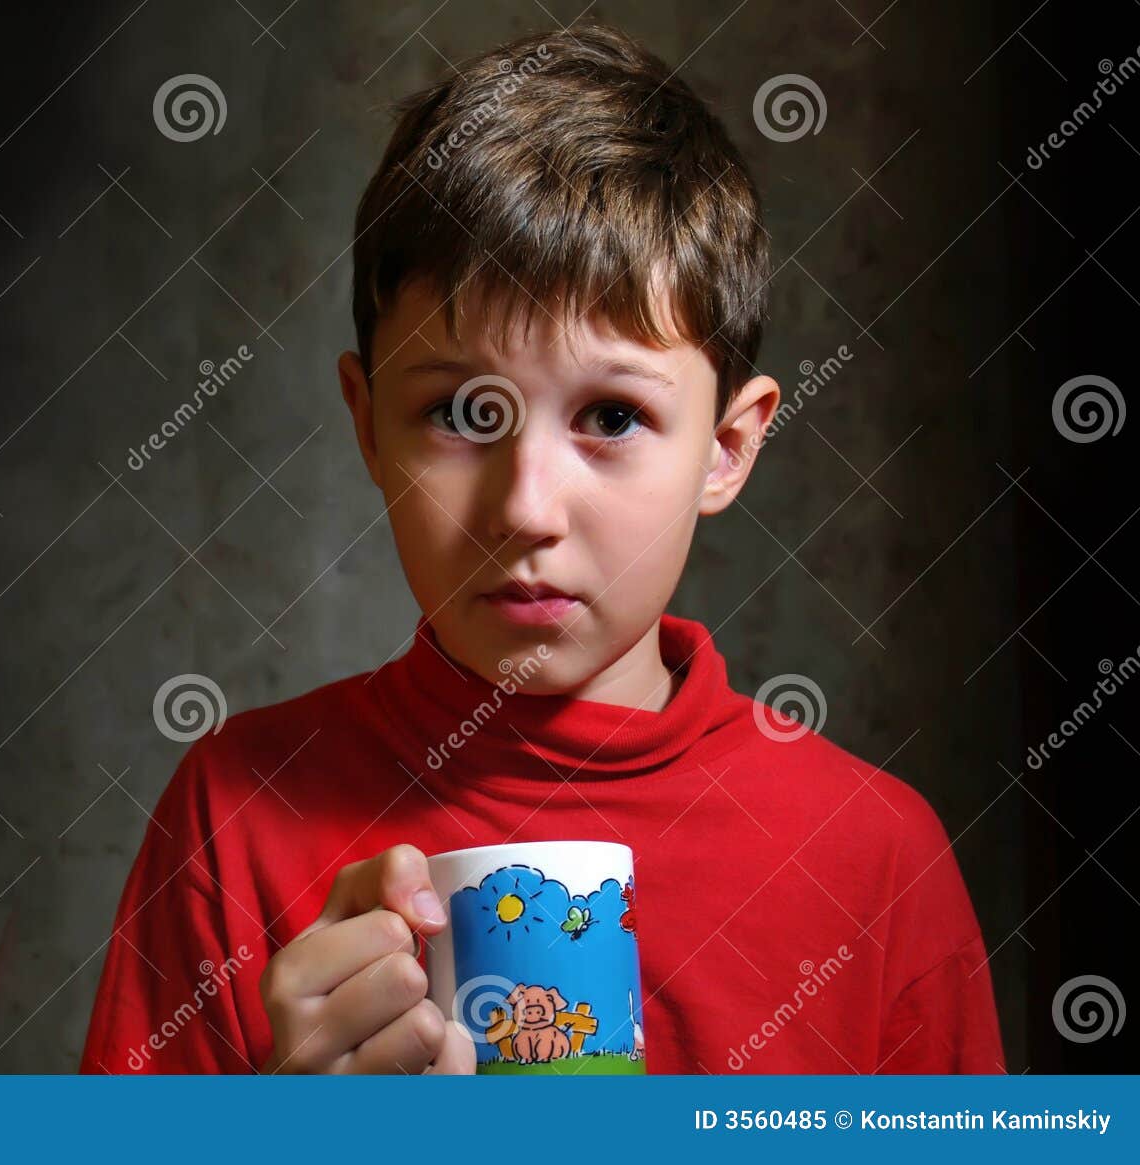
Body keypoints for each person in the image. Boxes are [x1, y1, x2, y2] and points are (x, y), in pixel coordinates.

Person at [76, 21, 1003, 1075]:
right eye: (462, 413)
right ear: (366, 422)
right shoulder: (235, 811)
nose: (525, 507)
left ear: (726, 448)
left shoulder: (872, 856)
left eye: (610, 417)